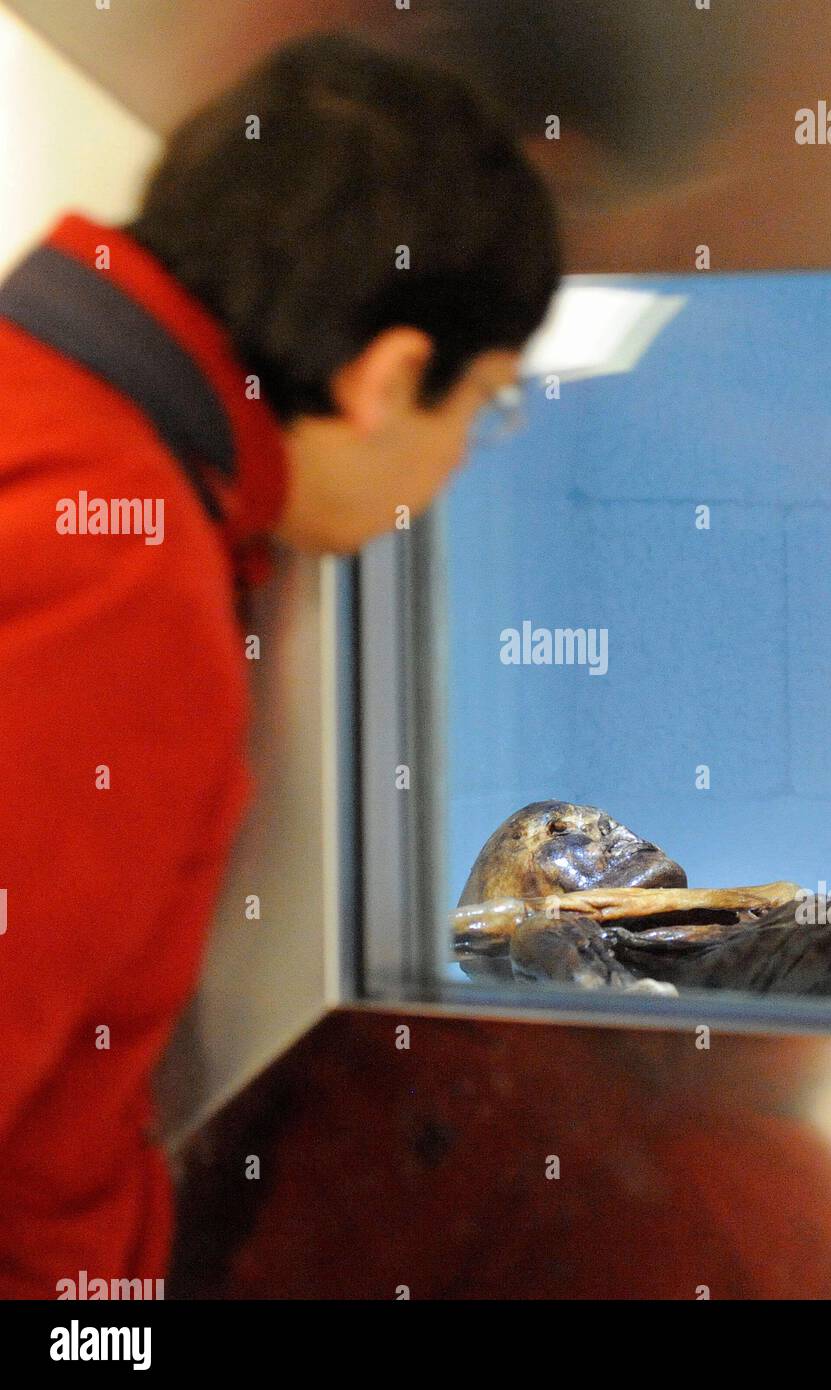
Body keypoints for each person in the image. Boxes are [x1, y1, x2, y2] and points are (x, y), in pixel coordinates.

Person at [0, 31, 559, 1298]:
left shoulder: (48, 416)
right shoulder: (119, 569)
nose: (463, 460)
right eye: (483, 402)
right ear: (388, 374)